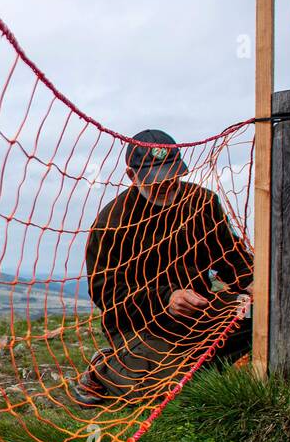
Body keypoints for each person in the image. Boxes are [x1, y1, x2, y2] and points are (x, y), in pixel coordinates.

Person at [73, 128, 253, 408]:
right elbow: (105, 294)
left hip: (200, 313)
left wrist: (255, 283)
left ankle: (192, 365)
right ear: (132, 176)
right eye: (156, 180)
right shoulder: (111, 221)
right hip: (139, 325)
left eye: (172, 175)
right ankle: (106, 367)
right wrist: (165, 299)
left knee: (263, 316)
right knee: (168, 395)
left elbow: (231, 257)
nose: (167, 185)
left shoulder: (202, 202)